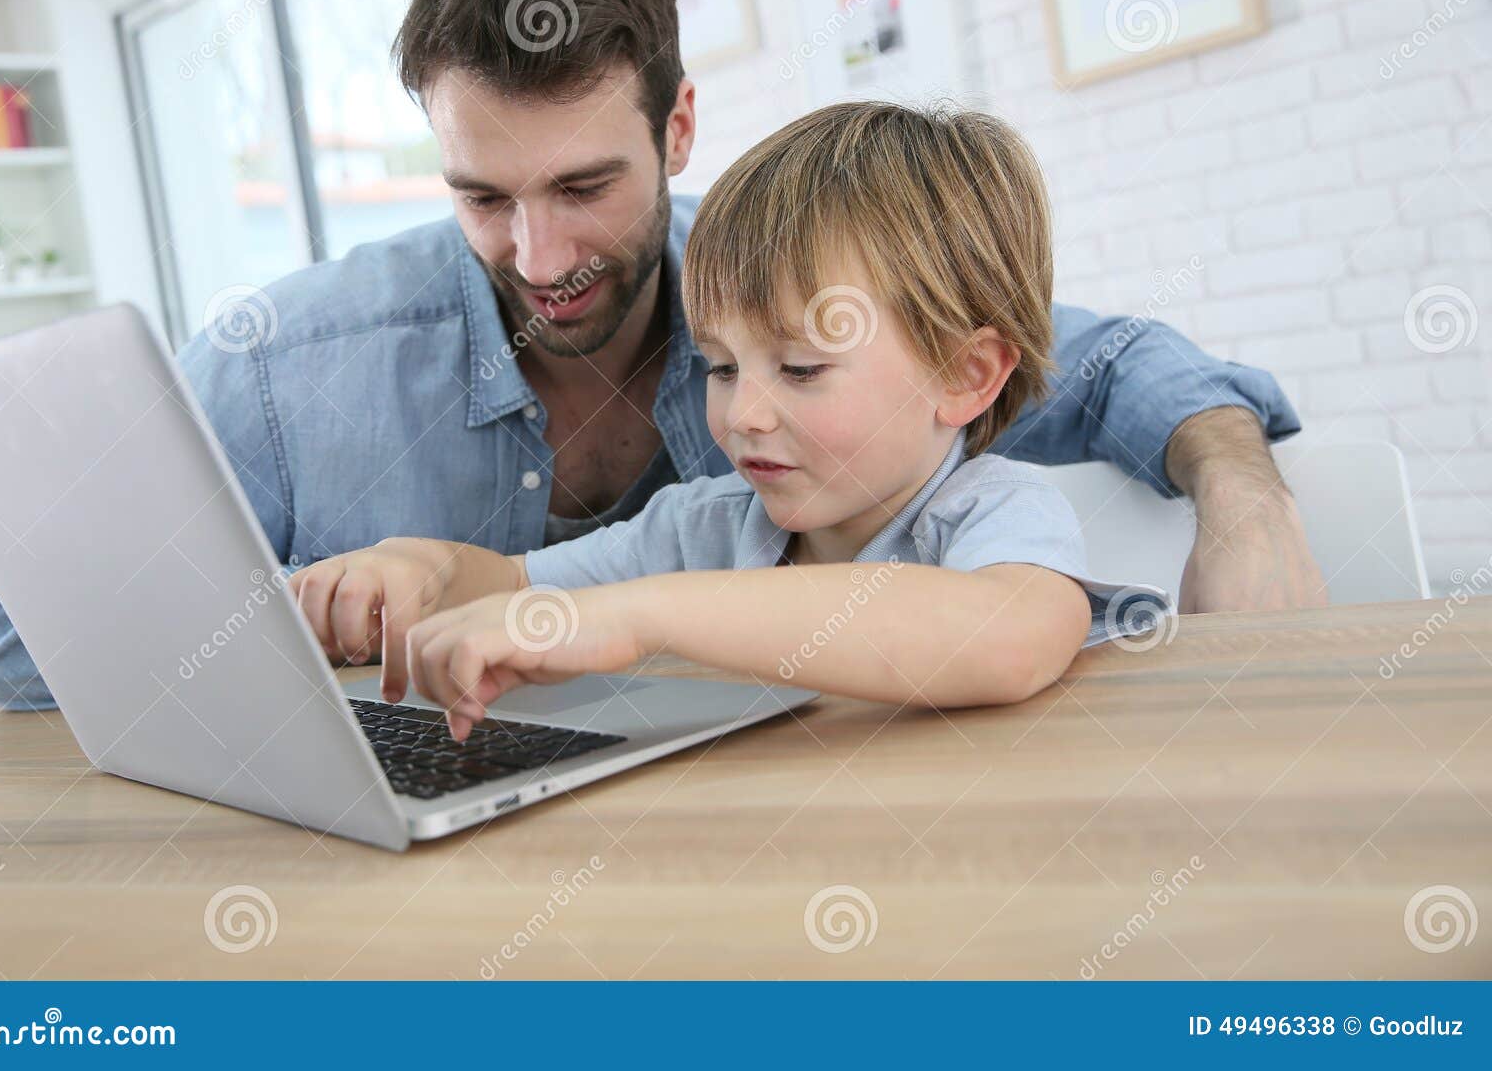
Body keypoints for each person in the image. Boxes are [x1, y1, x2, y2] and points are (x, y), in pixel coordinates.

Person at [0, 0, 1321, 712]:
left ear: (676, 130)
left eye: (583, 185)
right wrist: (410, 575)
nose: (539, 251)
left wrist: (1247, 504)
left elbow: (1014, 610)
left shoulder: (800, 308)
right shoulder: (303, 369)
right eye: (483, 196)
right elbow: (22, 649)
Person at [289, 101, 1173, 740]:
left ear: (966, 374)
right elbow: (515, 590)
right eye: (718, 365)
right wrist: (423, 568)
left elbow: (1004, 639)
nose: (743, 413)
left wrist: (642, 617)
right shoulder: (704, 526)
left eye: (800, 368)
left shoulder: (993, 512)